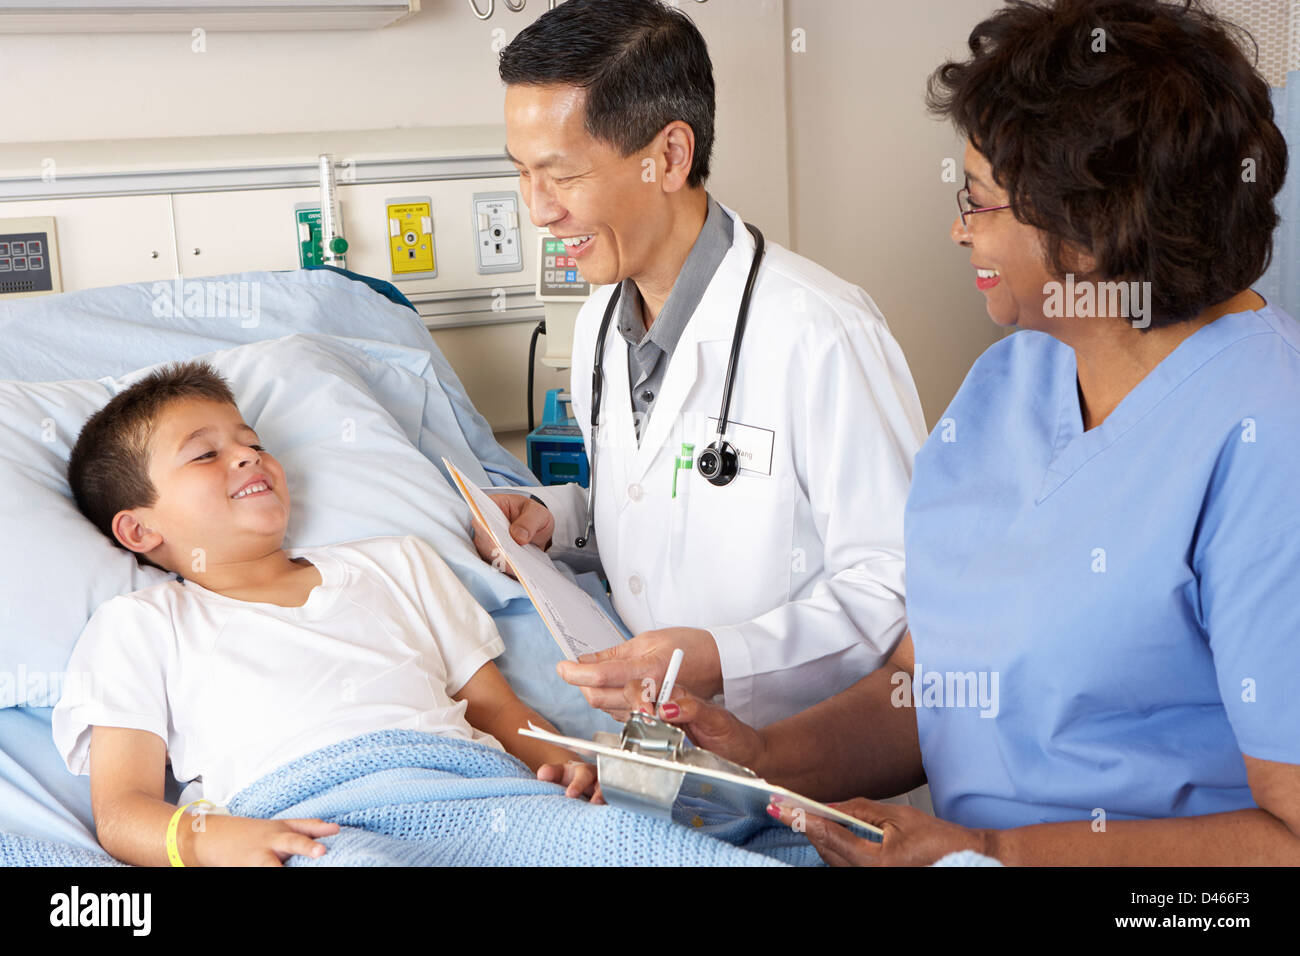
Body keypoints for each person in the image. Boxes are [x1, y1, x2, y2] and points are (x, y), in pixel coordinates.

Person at [619, 0, 1300, 865]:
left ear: (1089, 233)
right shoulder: (1008, 385)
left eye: (977, 202)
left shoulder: (1268, 442)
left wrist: (990, 852)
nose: (957, 229)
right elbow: (922, 684)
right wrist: (764, 759)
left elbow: (1289, 841)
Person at [477, 0, 928, 730]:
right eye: (523, 174)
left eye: (560, 176)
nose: (537, 211)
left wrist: (720, 658)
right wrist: (554, 521)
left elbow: (898, 583)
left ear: (670, 156)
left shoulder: (821, 331)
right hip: (666, 751)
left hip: (813, 755)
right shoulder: (599, 325)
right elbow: (653, 510)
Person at [51, 361, 600, 867]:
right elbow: (123, 810)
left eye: (253, 443)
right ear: (140, 530)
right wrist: (212, 839)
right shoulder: (141, 625)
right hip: (308, 829)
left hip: (485, 796)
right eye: (204, 454)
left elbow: (497, 711)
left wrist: (566, 766)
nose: (248, 456)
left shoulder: (396, 562)